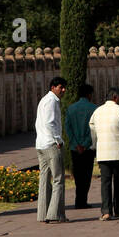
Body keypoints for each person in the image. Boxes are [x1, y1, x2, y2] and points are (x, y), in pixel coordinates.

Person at [89, 86, 119, 220]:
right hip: (118, 152)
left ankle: (106, 211)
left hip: (103, 152)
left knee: (106, 182)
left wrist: (94, 145)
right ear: (115, 97)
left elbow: (92, 128)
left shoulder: (97, 111)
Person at [35, 76, 67, 223]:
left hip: (41, 144)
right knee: (58, 179)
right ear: (53, 87)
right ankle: (55, 214)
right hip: (50, 145)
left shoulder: (44, 100)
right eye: (61, 87)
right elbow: (50, 123)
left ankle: (43, 214)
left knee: (44, 179)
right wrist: (58, 140)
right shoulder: (51, 101)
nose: (63, 90)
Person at [64, 83, 98, 210]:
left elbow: (68, 128)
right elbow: (94, 130)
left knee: (78, 174)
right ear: (89, 95)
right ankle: (83, 200)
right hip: (88, 148)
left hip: (75, 148)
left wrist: (76, 143)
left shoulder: (71, 108)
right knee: (87, 174)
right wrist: (85, 144)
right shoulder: (94, 108)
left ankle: (79, 200)